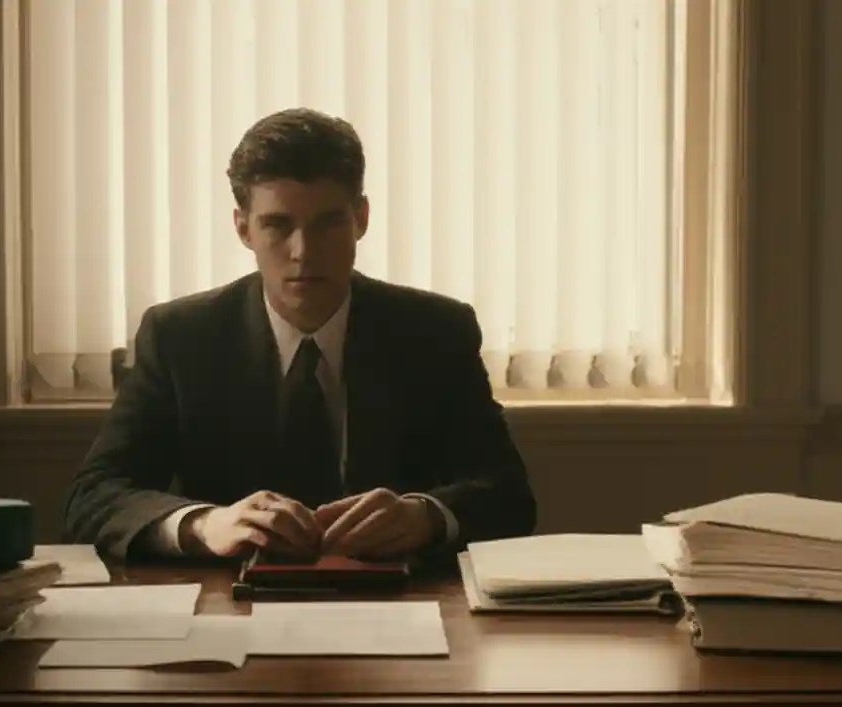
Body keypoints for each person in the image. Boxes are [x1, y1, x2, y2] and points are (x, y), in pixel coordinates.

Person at [63, 107, 535, 562]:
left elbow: (508, 494)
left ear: (361, 219)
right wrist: (205, 525)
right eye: (278, 225)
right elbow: (93, 498)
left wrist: (425, 517)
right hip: (227, 608)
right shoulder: (180, 337)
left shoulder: (435, 332)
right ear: (243, 228)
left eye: (328, 223)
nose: (303, 252)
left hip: (404, 604)